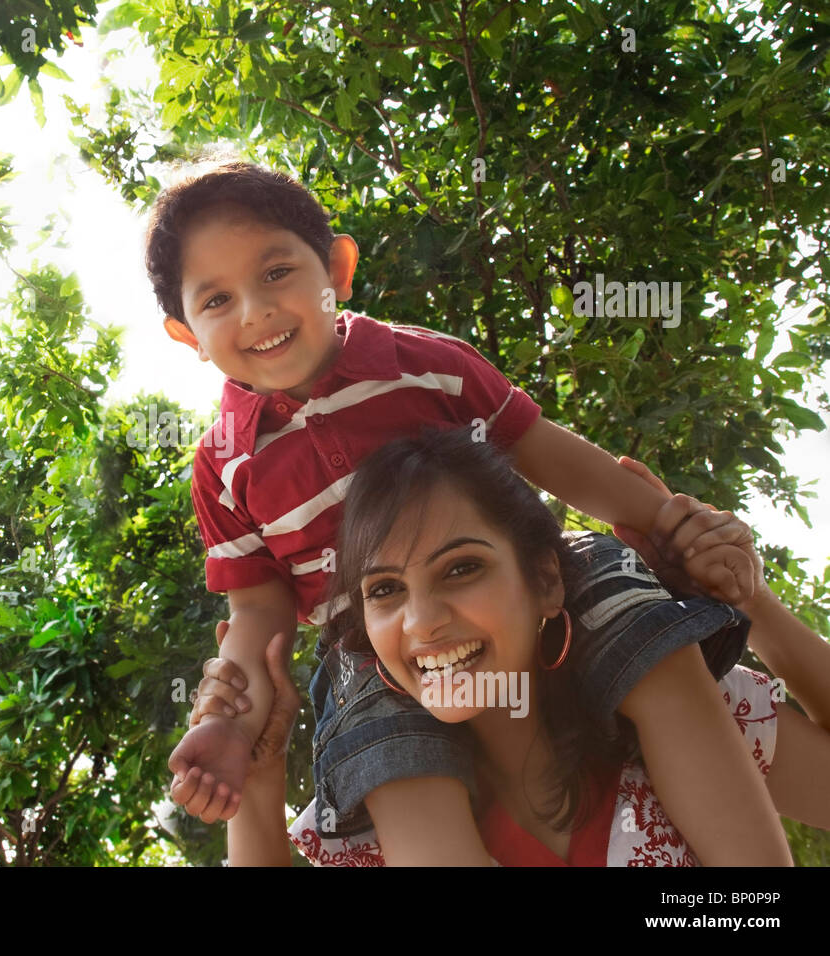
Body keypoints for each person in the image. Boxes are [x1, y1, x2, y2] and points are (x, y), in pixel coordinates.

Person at [146, 160, 789, 864]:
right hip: (367, 651)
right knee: (393, 772)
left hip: (538, 581)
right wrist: (228, 723)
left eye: (276, 274)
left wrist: (675, 525)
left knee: (651, 646)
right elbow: (258, 619)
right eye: (216, 301)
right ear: (186, 334)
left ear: (337, 268)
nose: (255, 312)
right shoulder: (223, 466)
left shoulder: (424, 363)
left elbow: (555, 458)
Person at [184, 430, 830, 865]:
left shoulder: (692, 712)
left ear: (546, 580)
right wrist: (262, 776)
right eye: (384, 590)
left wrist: (750, 601)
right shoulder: (383, 813)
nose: (423, 621)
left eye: (461, 568)